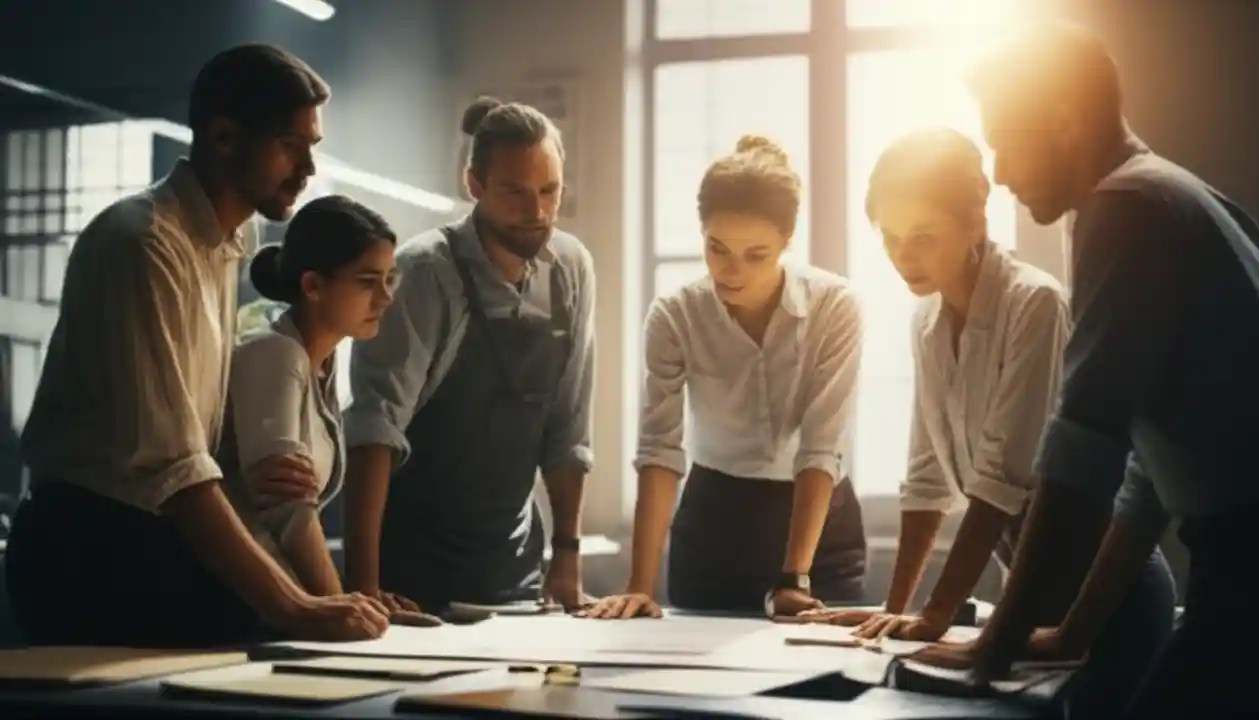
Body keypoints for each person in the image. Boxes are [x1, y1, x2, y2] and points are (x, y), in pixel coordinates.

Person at [909, 23, 1259, 719]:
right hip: (1244, 550)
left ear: (1065, 121)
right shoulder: (1172, 194)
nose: (1002, 172)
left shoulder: (1127, 208)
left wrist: (999, 642)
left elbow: (1084, 445)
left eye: (1006, 143)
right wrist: (1070, 632)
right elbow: (1146, 475)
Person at [6, 45, 389, 647]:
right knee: (272, 639)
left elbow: (195, 444)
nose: (308, 168)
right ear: (223, 137)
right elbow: (175, 468)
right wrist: (297, 605)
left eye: (311, 147)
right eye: (291, 145)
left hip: (154, 539)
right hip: (89, 546)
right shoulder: (144, 242)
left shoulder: (230, 238)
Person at [819, 128, 1173, 719]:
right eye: (891, 237)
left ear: (976, 217)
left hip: (1112, 600)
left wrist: (937, 614)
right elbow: (927, 476)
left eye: (924, 236)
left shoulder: (1034, 304)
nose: (905, 256)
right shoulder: (926, 323)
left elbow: (1000, 483)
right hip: (1031, 603)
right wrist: (897, 609)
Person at [582, 136, 866, 620]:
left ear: (786, 242)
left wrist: (793, 578)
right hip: (715, 520)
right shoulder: (675, 315)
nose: (731, 272)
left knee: (819, 674)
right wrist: (638, 585)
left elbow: (822, 446)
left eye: (756, 254)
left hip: (817, 523)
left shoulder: (833, 306)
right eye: (717, 248)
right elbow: (659, 451)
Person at [343, 97, 596, 613]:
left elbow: (568, 427)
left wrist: (565, 556)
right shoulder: (425, 273)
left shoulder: (571, 268)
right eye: (515, 193)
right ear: (473, 186)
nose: (538, 212)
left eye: (550, 190)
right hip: (414, 571)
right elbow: (375, 430)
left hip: (515, 567)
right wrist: (362, 587)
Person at [219, 195, 405, 607]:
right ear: (313, 286)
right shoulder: (275, 354)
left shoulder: (321, 365)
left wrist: (358, 601)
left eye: (389, 279)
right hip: (244, 601)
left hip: (283, 598)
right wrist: (342, 607)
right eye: (367, 281)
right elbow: (287, 510)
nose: (385, 298)